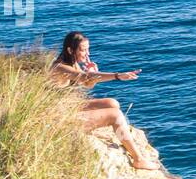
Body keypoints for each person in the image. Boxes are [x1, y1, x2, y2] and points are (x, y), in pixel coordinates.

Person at [50, 31, 158, 171]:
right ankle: (138, 159)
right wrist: (117, 76)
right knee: (115, 115)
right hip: (61, 119)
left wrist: (92, 75)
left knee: (112, 104)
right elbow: (86, 77)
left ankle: (122, 134)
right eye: (83, 50)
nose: (87, 53)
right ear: (70, 50)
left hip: (71, 108)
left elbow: (87, 83)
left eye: (88, 49)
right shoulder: (59, 67)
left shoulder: (74, 64)